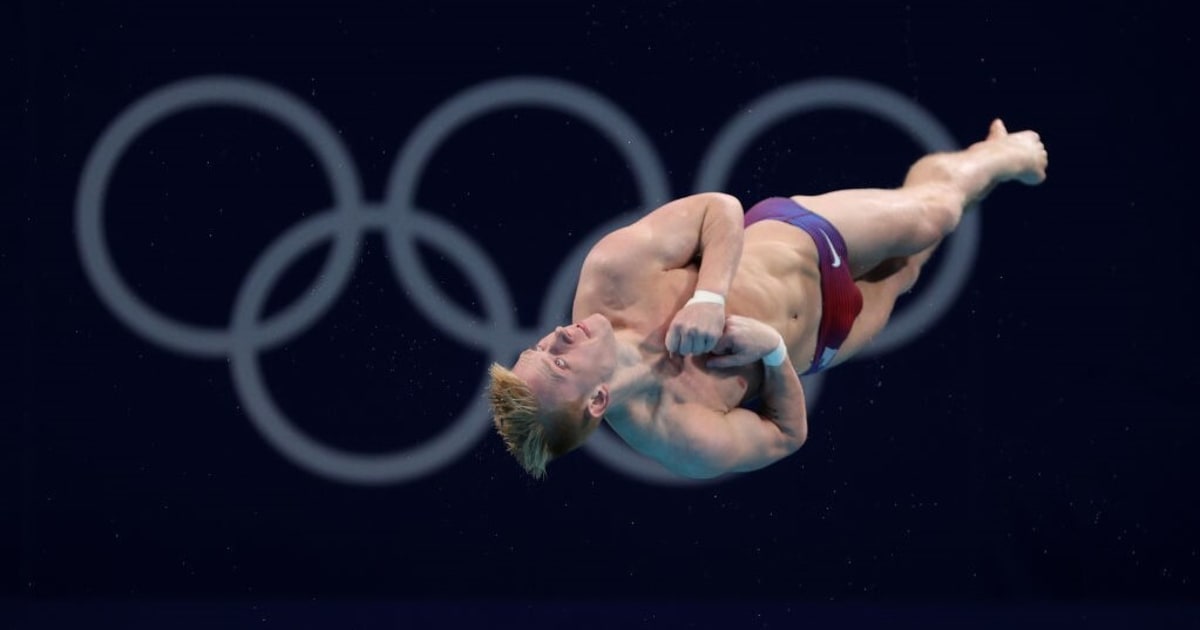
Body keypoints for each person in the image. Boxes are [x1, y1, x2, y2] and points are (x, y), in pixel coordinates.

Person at [488, 119, 1048, 479]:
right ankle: (974, 172)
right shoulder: (679, 441)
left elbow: (720, 209)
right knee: (910, 270)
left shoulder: (611, 277)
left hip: (806, 239)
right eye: (558, 361)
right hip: (824, 341)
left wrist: (709, 294)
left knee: (934, 214)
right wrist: (775, 353)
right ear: (598, 401)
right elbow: (786, 436)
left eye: (540, 346)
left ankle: (998, 156)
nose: (557, 333)